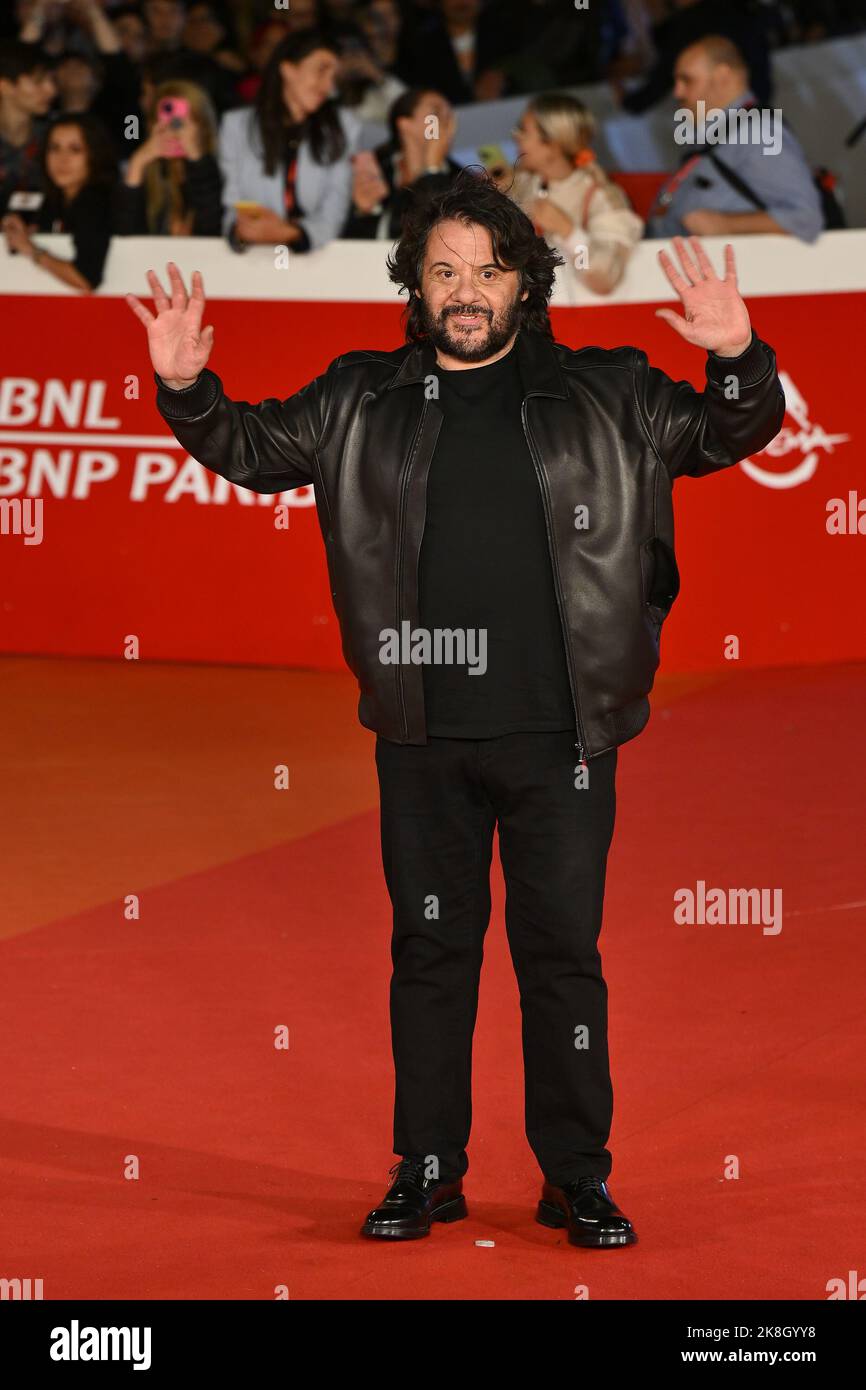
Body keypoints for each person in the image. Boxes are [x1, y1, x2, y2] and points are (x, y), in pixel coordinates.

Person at [126, 170, 785, 1249]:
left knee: (559, 957)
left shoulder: (608, 389)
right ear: (413, 286)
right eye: (443, 271)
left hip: (562, 737)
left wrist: (736, 357)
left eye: (487, 269)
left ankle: (576, 1175)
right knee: (431, 958)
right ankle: (425, 1171)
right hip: (422, 738)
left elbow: (728, 433)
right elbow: (250, 451)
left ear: (525, 281)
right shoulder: (357, 397)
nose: (466, 290)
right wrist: (187, 390)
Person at [645, 35, 824, 243]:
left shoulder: (758, 134)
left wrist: (724, 224)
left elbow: (804, 218)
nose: (677, 92)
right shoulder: (718, 138)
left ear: (723, 76)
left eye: (687, 80)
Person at [218, 28, 361, 253]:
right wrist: (242, 230)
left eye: (334, 76)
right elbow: (231, 201)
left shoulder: (343, 128)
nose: (328, 86)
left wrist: (293, 234)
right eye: (321, 70)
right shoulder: (236, 126)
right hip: (249, 260)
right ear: (288, 69)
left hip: (318, 261)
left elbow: (335, 206)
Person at [503, 92, 643, 295]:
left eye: (523, 130)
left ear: (552, 145)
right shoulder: (521, 183)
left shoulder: (601, 196)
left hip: (580, 320)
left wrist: (569, 232)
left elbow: (605, 278)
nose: (516, 136)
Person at [2, 111, 116, 290]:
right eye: (54, 148)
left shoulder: (95, 202)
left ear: (94, 154)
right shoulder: (50, 199)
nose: (62, 160)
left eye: (75, 149)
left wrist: (31, 249)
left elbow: (86, 279)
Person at [342, 87, 461, 240]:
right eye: (436, 112)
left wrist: (433, 171)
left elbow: (432, 232)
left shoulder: (462, 179)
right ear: (405, 124)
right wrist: (364, 212)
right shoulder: (375, 170)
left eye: (450, 115)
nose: (446, 121)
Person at [113, 78, 222, 234]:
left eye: (182, 122)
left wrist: (198, 160)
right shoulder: (149, 173)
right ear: (152, 125)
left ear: (203, 126)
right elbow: (125, 235)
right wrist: (137, 165)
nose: (174, 130)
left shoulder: (222, 171)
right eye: (165, 121)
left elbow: (212, 226)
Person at [0, 38, 56, 216]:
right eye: (38, 81)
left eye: (51, 81)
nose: (50, 89)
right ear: (6, 87)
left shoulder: (54, 136)